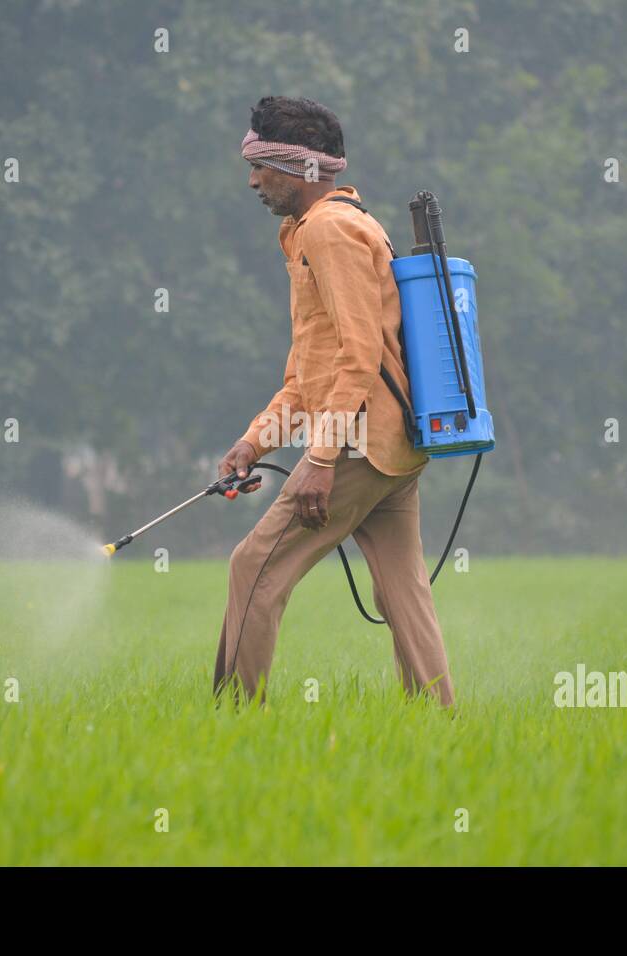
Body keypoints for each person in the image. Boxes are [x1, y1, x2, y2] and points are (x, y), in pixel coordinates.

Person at [212, 95, 455, 709]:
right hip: (388, 442)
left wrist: (319, 458)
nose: (252, 179)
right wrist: (256, 440)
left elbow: (359, 352)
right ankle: (440, 723)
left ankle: (231, 718)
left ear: (303, 169)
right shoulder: (309, 231)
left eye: (263, 164)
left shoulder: (331, 229)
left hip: (356, 441)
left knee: (254, 568)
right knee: (402, 590)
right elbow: (307, 375)